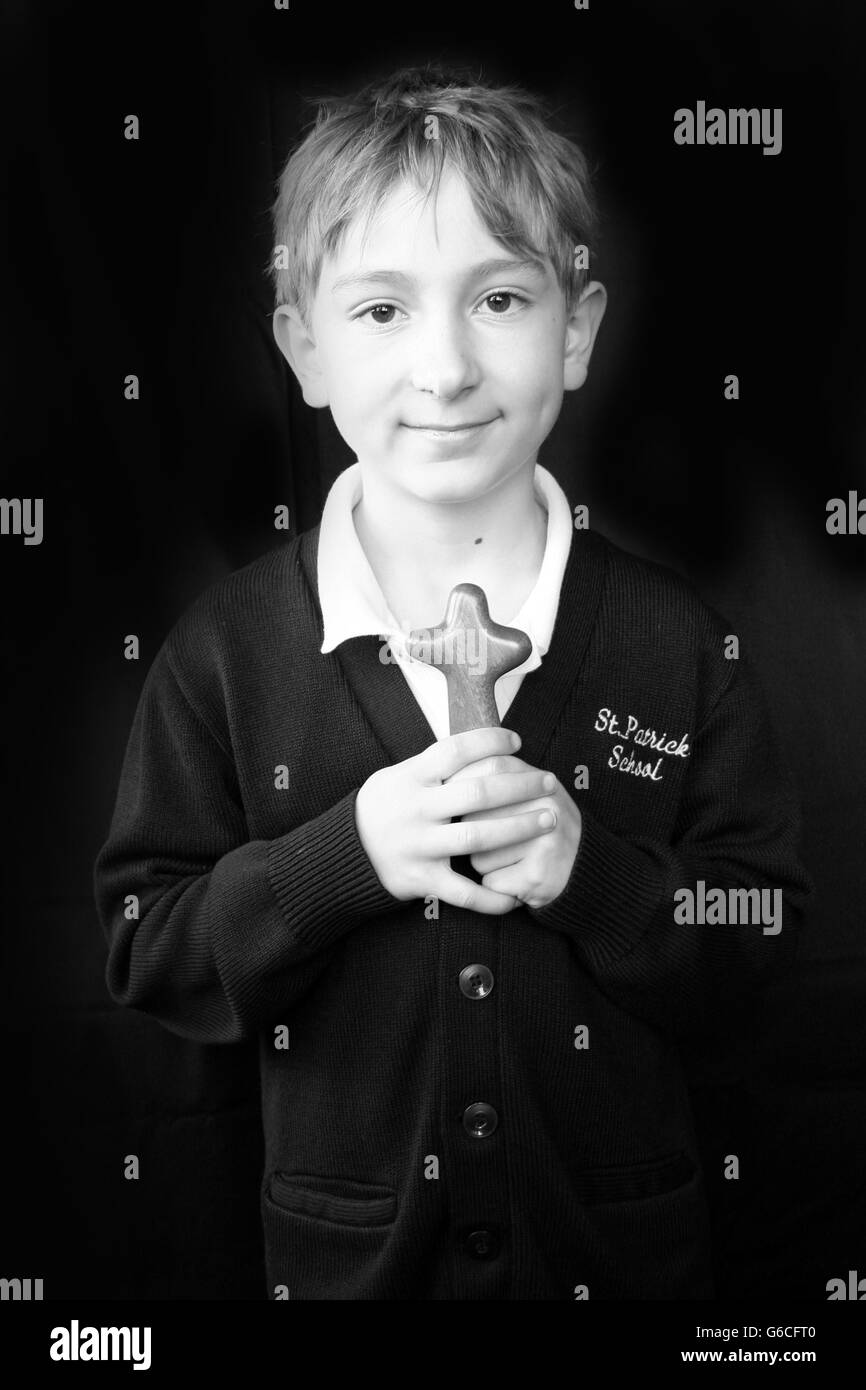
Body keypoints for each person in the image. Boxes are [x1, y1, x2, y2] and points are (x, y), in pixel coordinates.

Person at [94, 63, 811, 1300]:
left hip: (622, 1268)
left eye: (497, 298)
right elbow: (144, 945)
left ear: (575, 331)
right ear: (301, 349)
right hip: (340, 1273)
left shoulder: (681, 645)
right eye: (380, 312)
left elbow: (762, 944)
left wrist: (597, 880)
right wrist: (341, 861)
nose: (443, 368)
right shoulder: (224, 649)